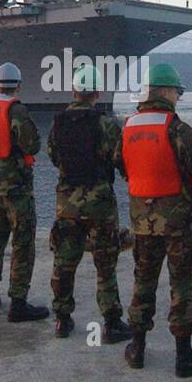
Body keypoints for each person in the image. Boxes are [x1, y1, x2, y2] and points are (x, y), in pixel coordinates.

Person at [120, 62, 192, 377]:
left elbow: (123, 168)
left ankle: (137, 347)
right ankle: (184, 356)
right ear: (165, 91)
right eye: (177, 91)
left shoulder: (128, 126)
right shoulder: (178, 129)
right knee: (182, 284)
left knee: (143, 280)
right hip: (179, 222)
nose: (178, 97)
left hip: (142, 222)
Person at [46, 64, 133, 342]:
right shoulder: (105, 123)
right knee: (105, 263)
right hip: (99, 202)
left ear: (73, 91)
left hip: (67, 201)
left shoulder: (57, 123)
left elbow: (53, 156)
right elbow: (120, 159)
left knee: (64, 262)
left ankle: (61, 319)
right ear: (97, 92)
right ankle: (111, 323)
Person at [0, 62, 48, 321]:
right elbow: (32, 144)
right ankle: (18, 302)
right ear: (18, 85)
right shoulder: (17, 109)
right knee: (22, 243)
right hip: (16, 188)